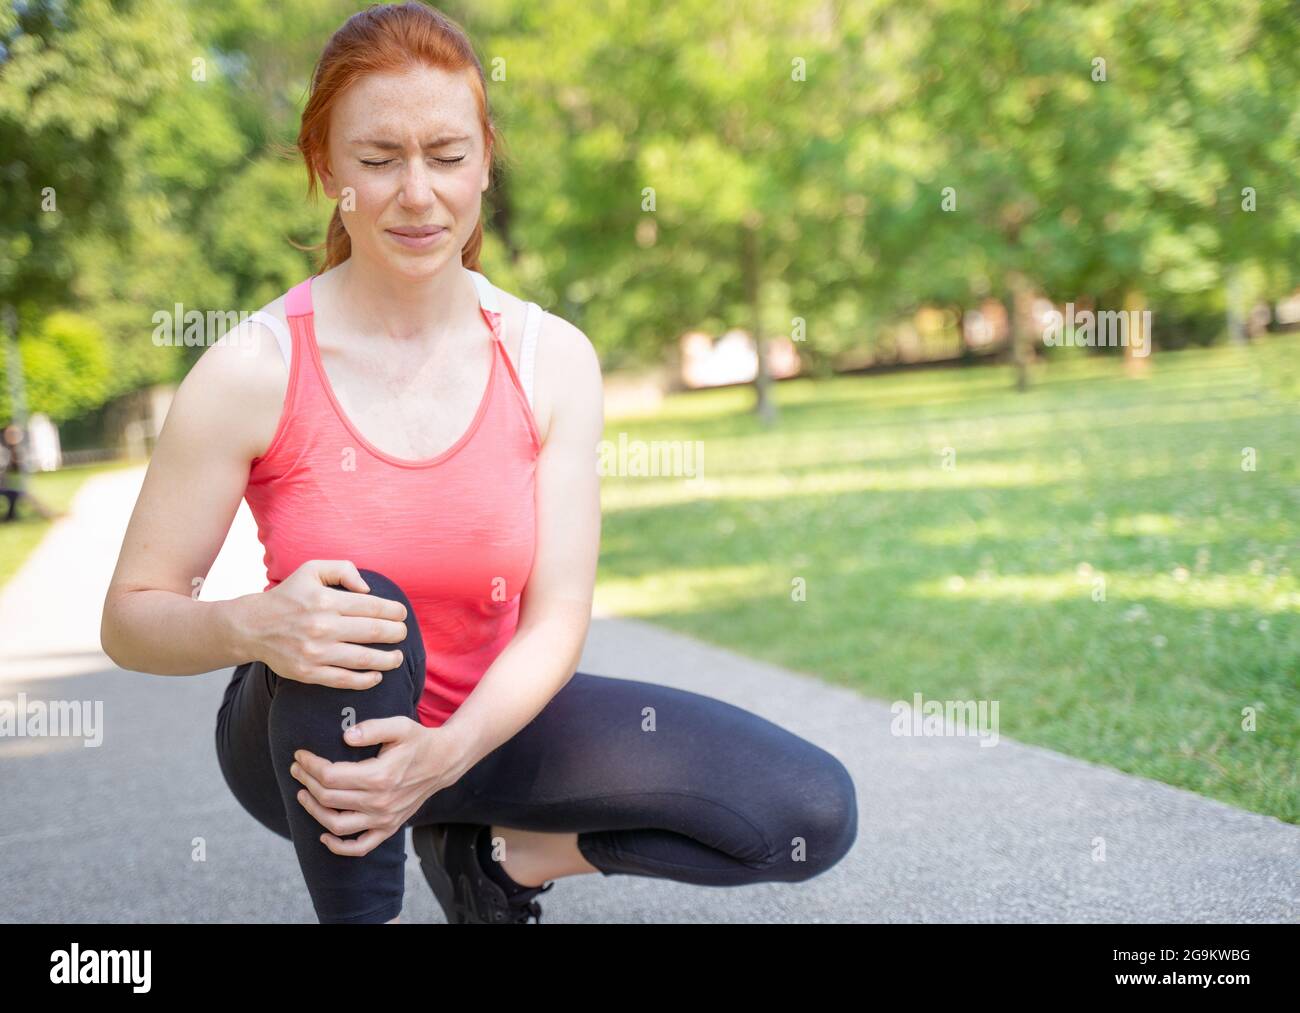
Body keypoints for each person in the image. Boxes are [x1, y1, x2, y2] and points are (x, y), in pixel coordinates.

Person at [99, 1, 857, 925]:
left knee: (807, 813)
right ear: (327, 168)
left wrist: (448, 752)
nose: (417, 194)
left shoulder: (551, 358)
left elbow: (557, 619)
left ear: (486, 161)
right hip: (297, 749)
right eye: (378, 160)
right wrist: (257, 623)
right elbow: (131, 620)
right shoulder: (253, 367)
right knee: (357, 606)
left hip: (486, 728)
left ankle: (500, 861)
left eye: (447, 156)